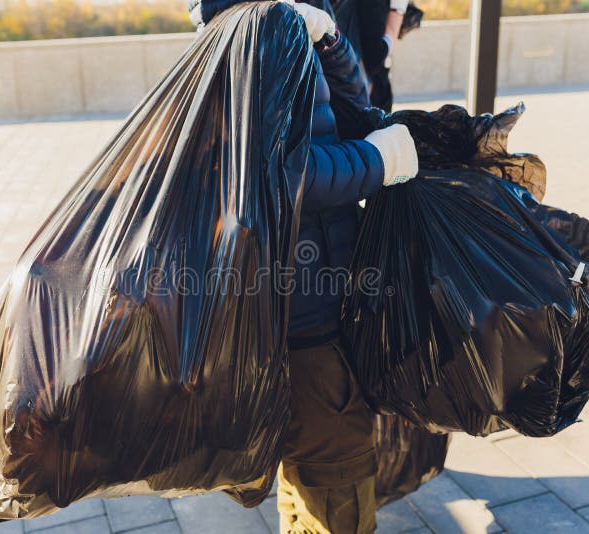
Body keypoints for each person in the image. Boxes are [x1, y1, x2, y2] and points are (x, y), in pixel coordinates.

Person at [187, 1, 419, 532]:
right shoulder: (250, 32)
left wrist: (332, 42)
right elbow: (277, 174)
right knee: (336, 489)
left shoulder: (286, 20)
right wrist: (378, 162)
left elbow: (352, 112)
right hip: (306, 314)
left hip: (317, 299)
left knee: (311, 475)